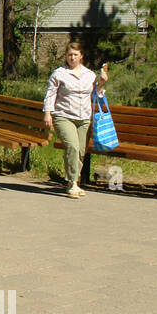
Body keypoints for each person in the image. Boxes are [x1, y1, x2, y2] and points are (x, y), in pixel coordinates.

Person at [43, 41, 109, 198]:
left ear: (81, 56)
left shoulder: (89, 75)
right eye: (69, 55)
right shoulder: (59, 73)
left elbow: (95, 94)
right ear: (66, 56)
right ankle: (73, 182)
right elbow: (50, 94)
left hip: (84, 117)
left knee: (80, 150)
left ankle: (71, 180)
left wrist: (101, 83)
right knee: (72, 146)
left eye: (75, 55)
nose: (72, 58)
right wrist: (47, 113)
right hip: (64, 116)